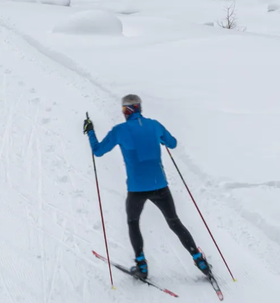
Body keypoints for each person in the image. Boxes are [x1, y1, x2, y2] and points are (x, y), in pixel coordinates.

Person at [83, 95, 212, 281]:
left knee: (133, 223)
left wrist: (90, 131)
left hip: (137, 189)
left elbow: (98, 151)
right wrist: (158, 139)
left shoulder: (120, 130)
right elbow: (173, 143)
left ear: (127, 111)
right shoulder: (154, 125)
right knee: (174, 222)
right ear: (139, 108)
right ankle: (200, 261)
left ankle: (141, 266)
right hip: (160, 185)